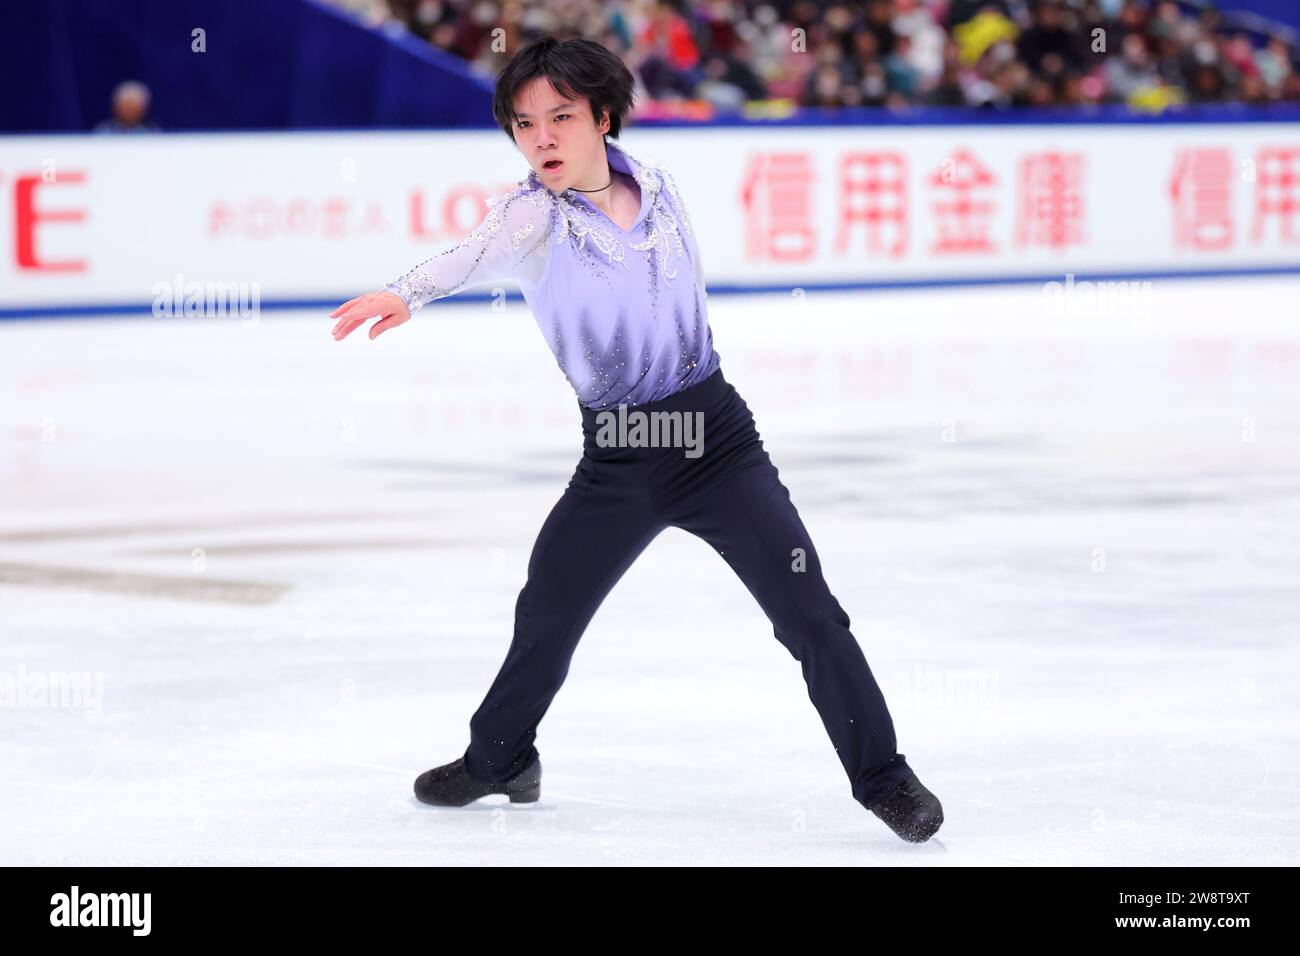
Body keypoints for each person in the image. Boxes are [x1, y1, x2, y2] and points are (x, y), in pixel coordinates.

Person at [328, 36, 944, 843]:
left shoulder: (659, 185)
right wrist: (405, 293)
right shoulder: (530, 216)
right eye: (523, 124)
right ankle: (500, 759)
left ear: (604, 119)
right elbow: (467, 257)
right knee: (546, 614)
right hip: (617, 458)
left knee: (811, 613)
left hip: (717, 444)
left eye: (559, 117)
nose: (541, 138)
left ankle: (885, 778)